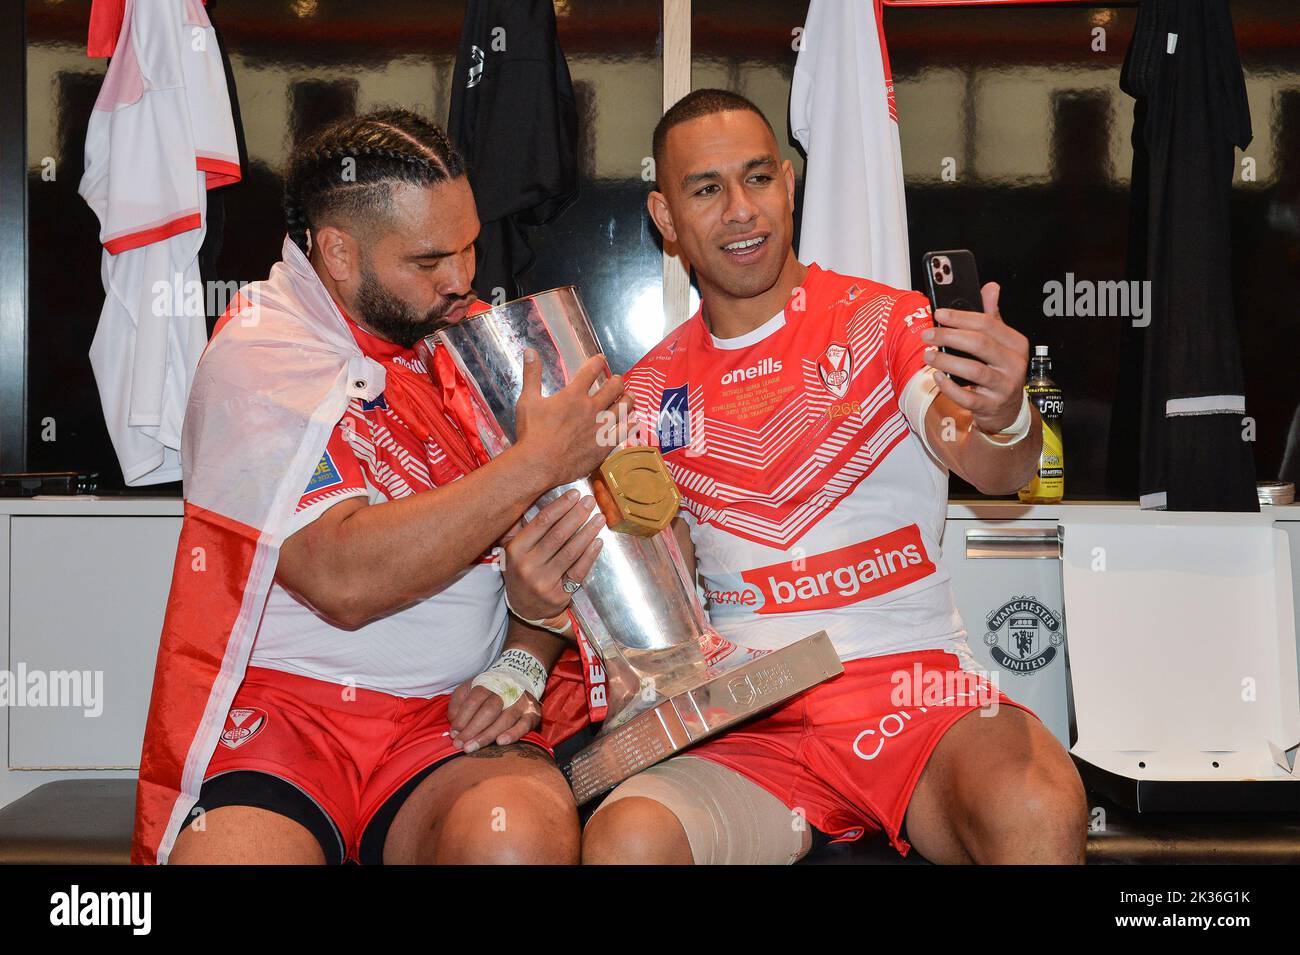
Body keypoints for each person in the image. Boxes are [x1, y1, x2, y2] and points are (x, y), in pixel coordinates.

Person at [513, 90, 1088, 865]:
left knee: (1037, 800)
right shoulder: (643, 392)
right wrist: (534, 628)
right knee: (629, 842)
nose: (741, 211)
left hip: (912, 688)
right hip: (744, 713)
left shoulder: (887, 322)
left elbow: (992, 463)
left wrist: (1006, 412)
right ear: (665, 217)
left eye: (757, 179)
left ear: (788, 184)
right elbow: (631, 581)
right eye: (707, 189)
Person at [141, 109, 619, 865]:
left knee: (514, 844)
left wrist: (523, 656)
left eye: (469, 246)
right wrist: (533, 461)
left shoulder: (478, 335)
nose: (461, 280)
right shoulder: (261, 354)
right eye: (429, 260)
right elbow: (343, 579)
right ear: (336, 252)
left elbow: (589, 541)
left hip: (454, 709)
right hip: (288, 714)